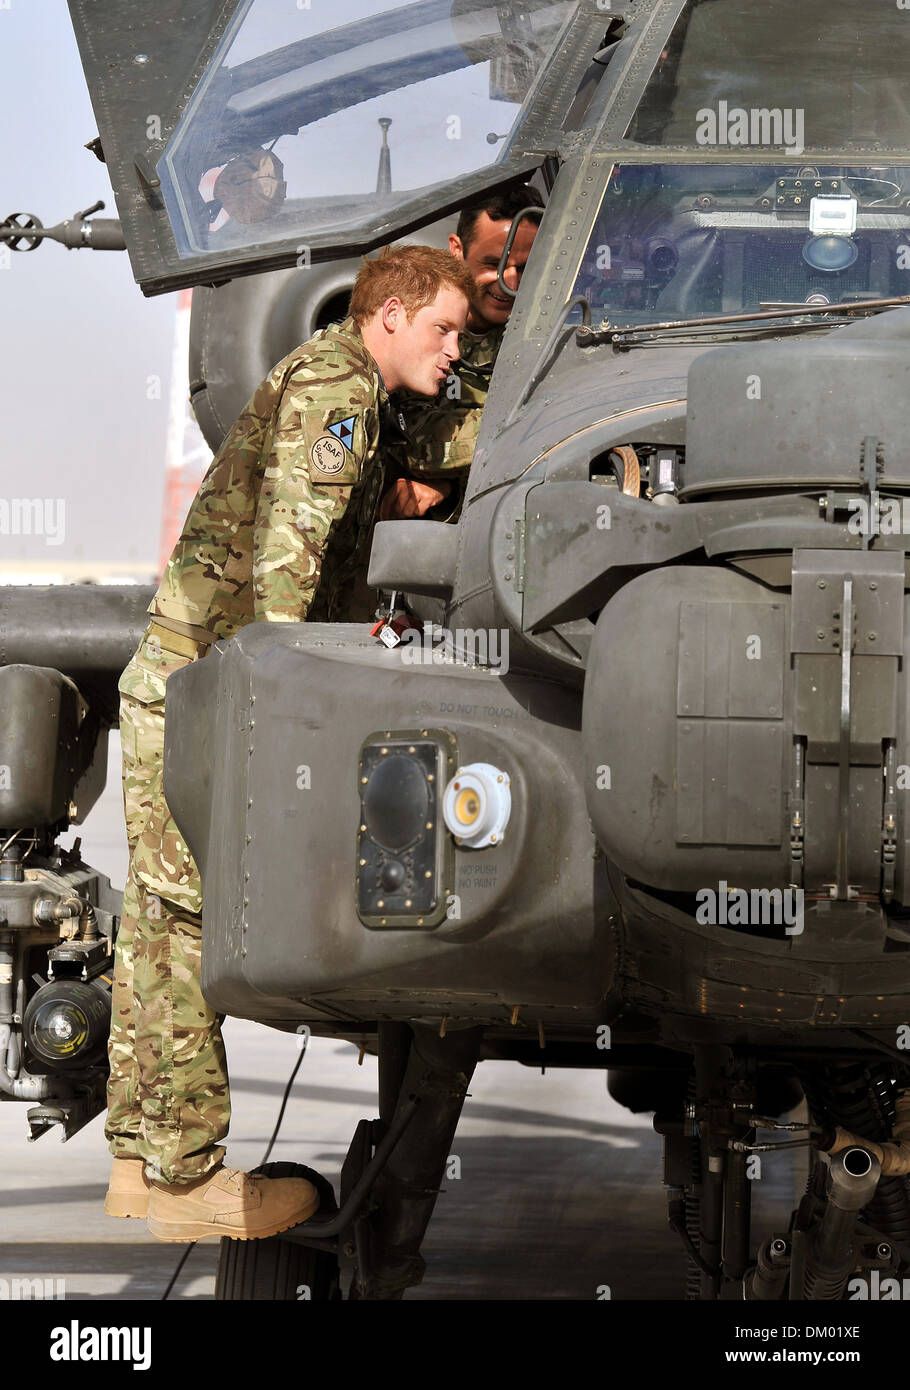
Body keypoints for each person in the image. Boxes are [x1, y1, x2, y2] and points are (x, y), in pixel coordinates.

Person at [104, 244, 475, 1242]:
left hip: (175, 678)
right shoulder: (336, 394)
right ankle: (189, 1181)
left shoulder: (334, 378)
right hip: (213, 684)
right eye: (442, 329)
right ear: (388, 314)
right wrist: (287, 711)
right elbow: (286, 564)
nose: (452, 350)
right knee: (185, 917)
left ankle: (141, 1163)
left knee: (154, 917)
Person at [396, 183, 544, 510]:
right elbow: (410, 441)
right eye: (492, 264)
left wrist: (449, 482)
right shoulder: (415, 318)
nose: (511, 283)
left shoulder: (547, 329)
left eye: (525, 267)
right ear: (457, 250)